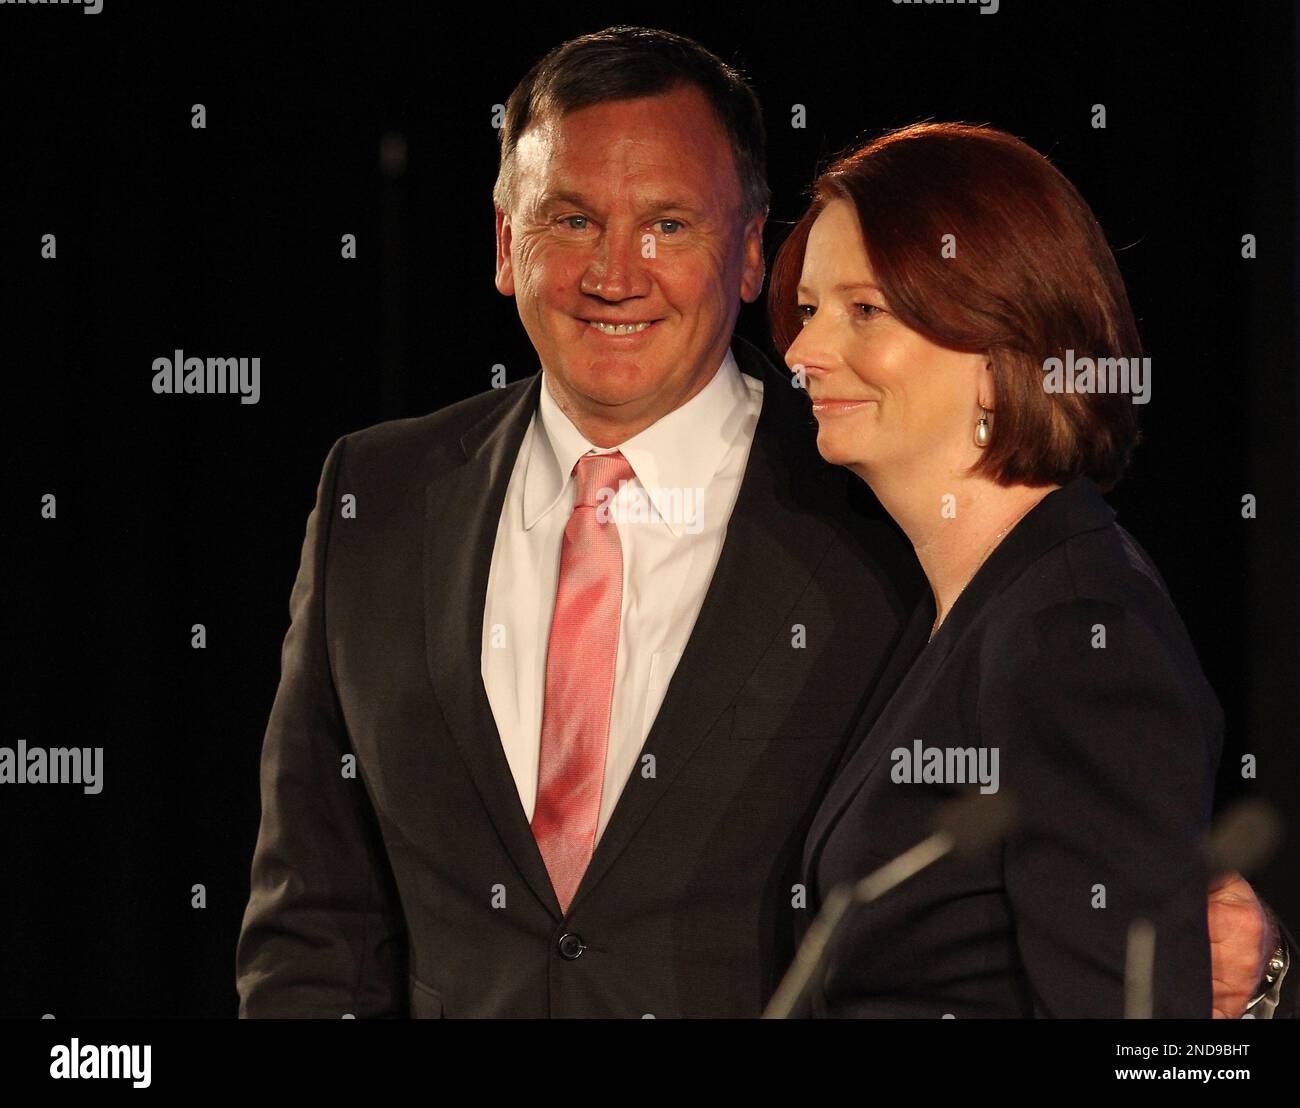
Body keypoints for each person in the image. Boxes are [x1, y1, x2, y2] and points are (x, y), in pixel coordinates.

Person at [235, 27, 1279, 1018]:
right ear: (506, 242)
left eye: (668, 224)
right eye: (570, 218)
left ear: (743, 254)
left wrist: (1247, 970)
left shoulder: (894, 526)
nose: (613, 272)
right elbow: (315, 930)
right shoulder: (373, 496)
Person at [771, 121, 1286, 1016]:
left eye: (865, 309)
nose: (802, 353)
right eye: (810, 309)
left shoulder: (1077, 634)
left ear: (1002, 349)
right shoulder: (968, 608)